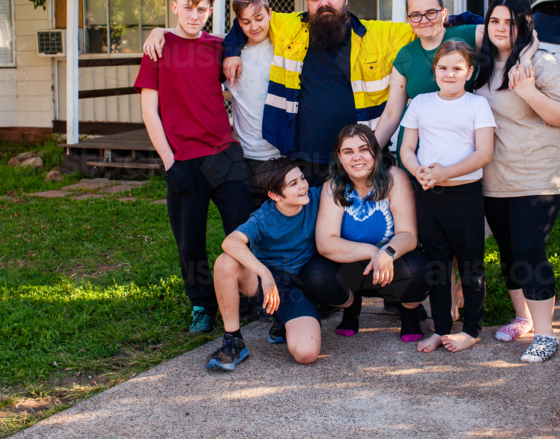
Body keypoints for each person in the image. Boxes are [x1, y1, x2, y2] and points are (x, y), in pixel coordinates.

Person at [222, 0, 482, 187]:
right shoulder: (290, 26)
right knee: (311, 229)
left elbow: (428, 22)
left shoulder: (380, 34)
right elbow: (246, 16)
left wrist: (455, 21)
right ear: (307, 2)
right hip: (301, 155)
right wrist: (231, 50)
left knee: (354, 227)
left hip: (358, 156)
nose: (323, 3)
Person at [373, 0, 536, 320]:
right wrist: (368, 153)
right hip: (419, 160)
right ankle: (443, 311)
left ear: (444, 12)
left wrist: (527, 58)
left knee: (465, 238)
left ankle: (468, 295)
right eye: (415, 14)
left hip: (462, 160)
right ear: (408, 19)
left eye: (431, 12)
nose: (424, 20)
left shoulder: (467, 35)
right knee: (433, 241)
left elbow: (522, 33)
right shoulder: (404, 56)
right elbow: (392, 113)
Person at [136, 0, 254, 335]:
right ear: (174, 6)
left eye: (201, 9)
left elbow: (254, 33)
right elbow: (149, 111)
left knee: (244, 230)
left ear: (210, 12)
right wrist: (169, 161)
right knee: (190, 239)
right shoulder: (157, 48)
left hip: (224, 152)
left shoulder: (219, 46)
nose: (193, 15)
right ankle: (202, 305)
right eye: (187, 7)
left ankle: (248, 297)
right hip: (183, 159)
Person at [474, 0, 560, 364]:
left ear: (525, 26)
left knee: (531, 252)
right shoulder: (482, 65)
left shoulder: (543, 64)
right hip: (493, 177)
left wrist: (529, 91)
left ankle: (547, 335)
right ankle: (524, 318)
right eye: (495, 21)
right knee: (509, 252)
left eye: (511, 22)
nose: (502, 29)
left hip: (536, 176)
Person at [398, 40, 497, 353]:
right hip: (429, 196)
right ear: (434, 71)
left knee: (470, 266)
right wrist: (420, 173)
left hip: (465, 196)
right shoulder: (421, 103)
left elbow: (484, 153)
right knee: (438, 264)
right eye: (443, 68)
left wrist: (446, 173)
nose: (449, 74)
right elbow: (406, 149)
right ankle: (441, 328)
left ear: (469, 72)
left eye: (457, 68)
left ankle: (471, 330)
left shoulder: (476, 105)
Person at [144, 0, 280, 208]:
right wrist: (157, 31)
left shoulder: (281, 47)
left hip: (267, 153)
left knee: (274, 223)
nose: (253, 26)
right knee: (240, 225)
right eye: (245, 21)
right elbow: (191, 33)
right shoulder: (223, 49)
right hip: (231, 154)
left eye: (259, 18)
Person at [300, 124, 432, 342]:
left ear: (375, 152)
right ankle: (352, 306)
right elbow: (325, 243)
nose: (356, 157)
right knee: (314, 276)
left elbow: (408, 234)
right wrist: (373, 252)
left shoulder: (394, 178)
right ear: (339, 157)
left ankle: (408, 312)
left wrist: (386, 253)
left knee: (421, 271)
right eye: (348, 151)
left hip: (394, 263)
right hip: (352, 264)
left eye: (364, 149)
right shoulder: (333, 185)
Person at [206, 157, 322, 371]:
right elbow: (230, 241)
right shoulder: (265, 217)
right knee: (225, 262)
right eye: (293, 184)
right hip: (263, 282)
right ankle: (233, 341)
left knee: (307, 354)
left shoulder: (316, 198)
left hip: (297, 285)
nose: (303, 185)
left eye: (302, 178)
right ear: (275, 195)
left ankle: (282, 324)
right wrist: (265, 273)